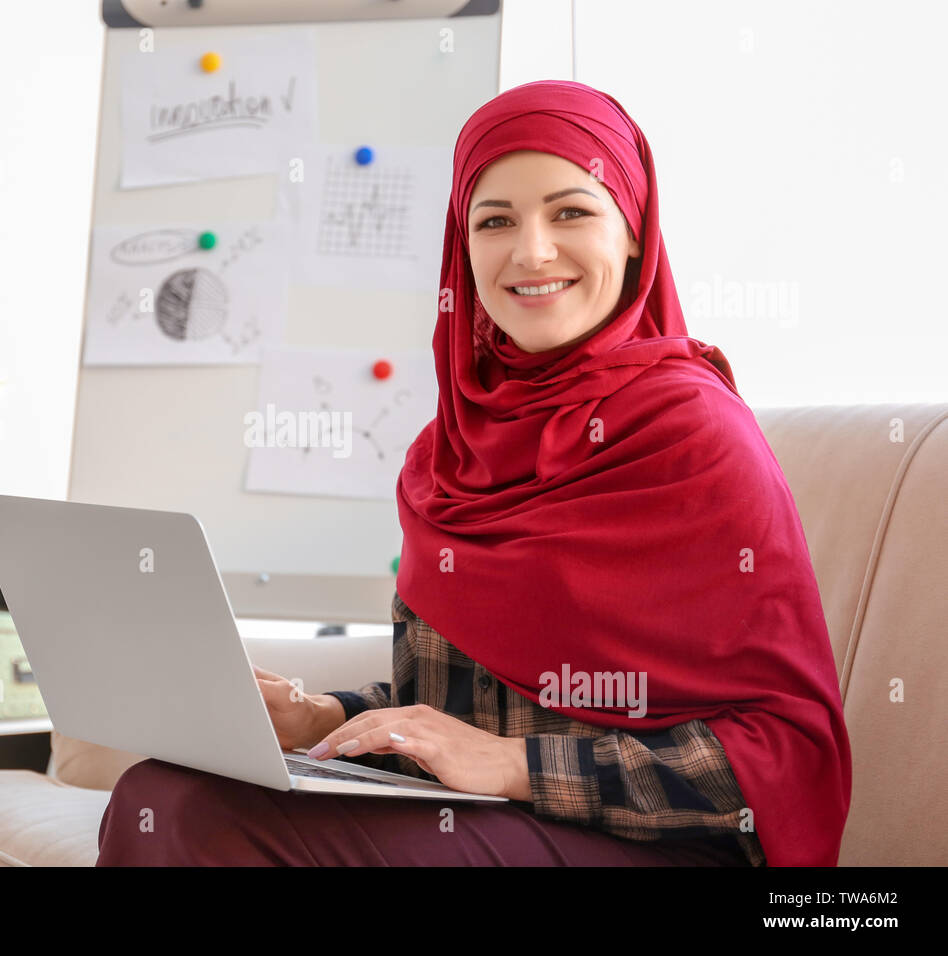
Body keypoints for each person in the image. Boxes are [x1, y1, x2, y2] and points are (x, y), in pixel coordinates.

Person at [96, 79, 851, 867]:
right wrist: (319, 719)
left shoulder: (695, 436)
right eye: (495, 222)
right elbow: (471, 711)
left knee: (211, 826)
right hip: (498, 820)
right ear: (465, 246)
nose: (531, 252)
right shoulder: (453, 448)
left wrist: (518, 768)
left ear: (633, 231)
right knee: (163, 795)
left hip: (660, 847)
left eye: (571, 212)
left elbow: (785, 753)